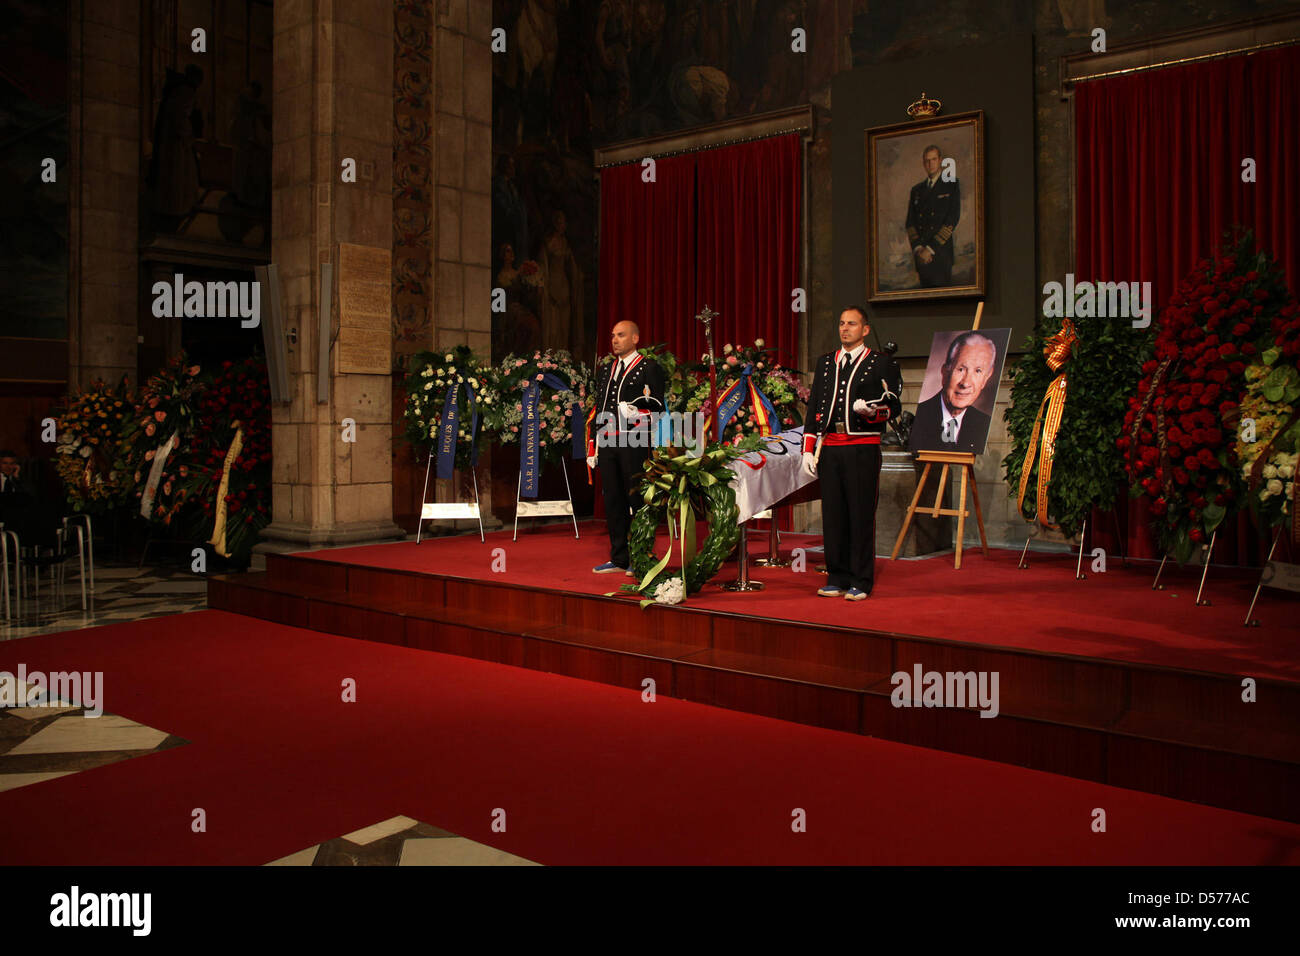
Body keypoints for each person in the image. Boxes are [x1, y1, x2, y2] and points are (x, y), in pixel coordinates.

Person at [801, 307, 902, 600]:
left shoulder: (881, 362)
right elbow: (815, 407)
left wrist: (872, 411)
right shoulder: (825, 362)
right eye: (842, 323)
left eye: (852, 324)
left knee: (859, 514)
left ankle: (860, 579)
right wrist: (808, 449)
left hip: (862, 447)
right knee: (833, 515)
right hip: (830, 447)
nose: (845, 329)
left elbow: (894, 407)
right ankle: (836, 576)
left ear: (865, 330)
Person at [586, 320, 665, 574]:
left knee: (637, 498)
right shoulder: (607, 369)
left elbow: (659, 409)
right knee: (613, 499)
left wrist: (636, 412)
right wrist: (595, 441)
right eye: (612, 336)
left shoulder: (649, 367)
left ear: (634, 338)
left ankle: (641, 557)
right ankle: (619, 557)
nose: (615, 340)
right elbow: (600, 406)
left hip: (635, 440)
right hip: (608, 440)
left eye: (621, 335)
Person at [908, 331, 997, 455]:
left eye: (978, 371)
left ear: (986, 378)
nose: (965, 383)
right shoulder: (921, 417)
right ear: (945, 372)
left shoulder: (982, 423)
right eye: (961, 369)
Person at [905, 144, 960, 288]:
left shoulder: (951, 185)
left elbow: (952, 220)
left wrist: (929, 249)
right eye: (927, 161)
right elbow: (910, 223)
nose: (930, 164)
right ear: (924, 163)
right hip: (921, 258)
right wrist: (918, 249)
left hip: (940, 255)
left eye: (934, 159)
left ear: (940, 160)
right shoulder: (916, 190)